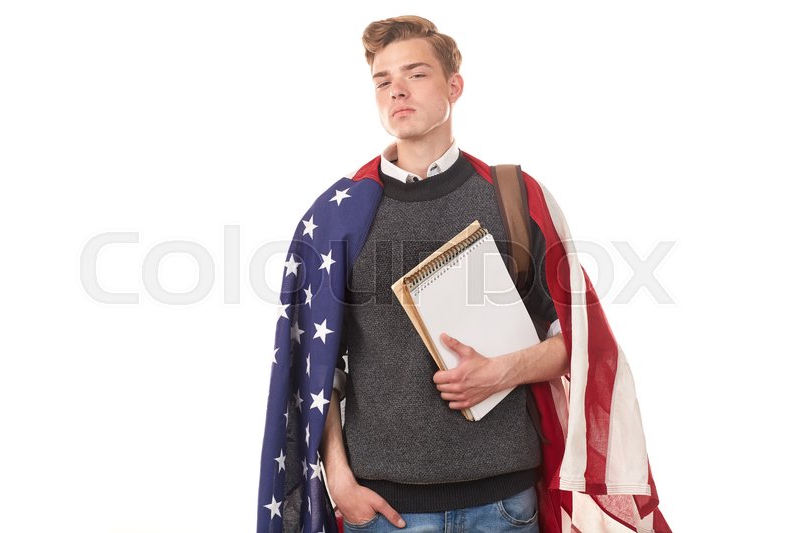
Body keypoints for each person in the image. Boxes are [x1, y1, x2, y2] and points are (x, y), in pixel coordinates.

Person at [258, 15, 670, 533]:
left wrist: (504, 370)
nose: (397, 91)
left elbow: (580, 342)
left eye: (416, 74)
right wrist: (339, 480)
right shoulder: (338, 216)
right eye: (383, 81)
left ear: (454, 85)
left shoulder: (516, 197)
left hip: (504, 505)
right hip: (383, 511)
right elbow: (318, 368)